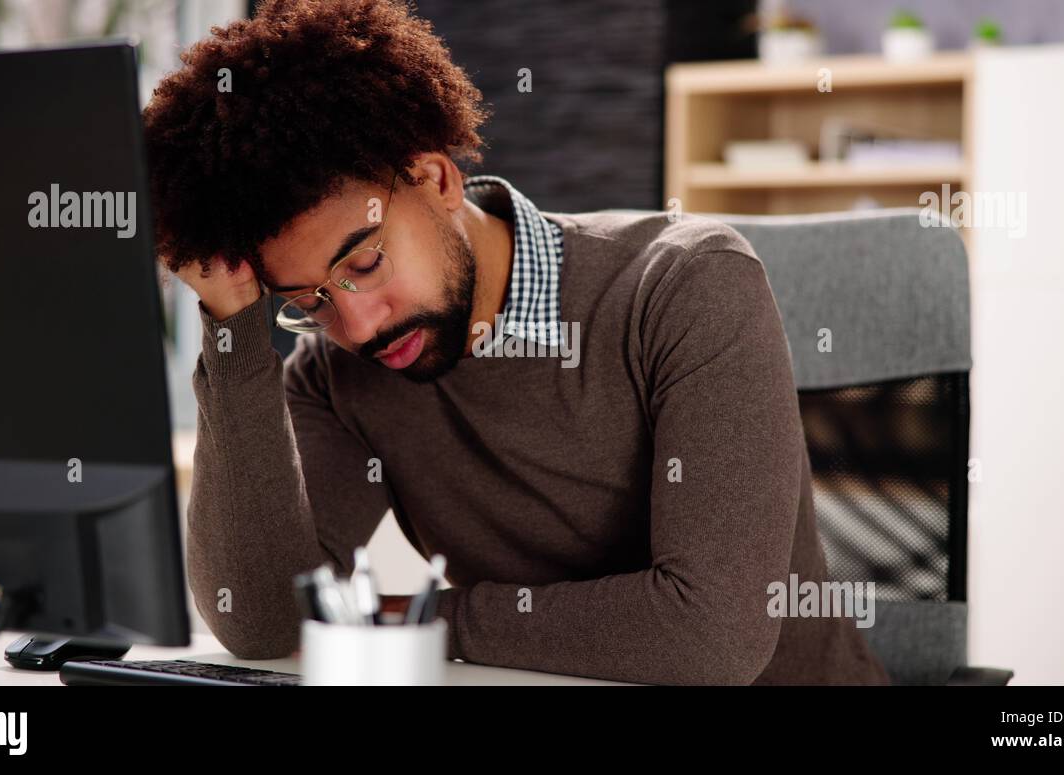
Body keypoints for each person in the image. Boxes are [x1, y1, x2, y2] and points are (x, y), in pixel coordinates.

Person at [143, 0, 890, 685]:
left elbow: (712, 634)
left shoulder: (684, 285)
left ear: (435, 178)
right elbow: (261, 620)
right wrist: (234, 325)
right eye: (307, 302)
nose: (359, 327)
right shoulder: (335, 377)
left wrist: (427, 617)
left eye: (364, 263)